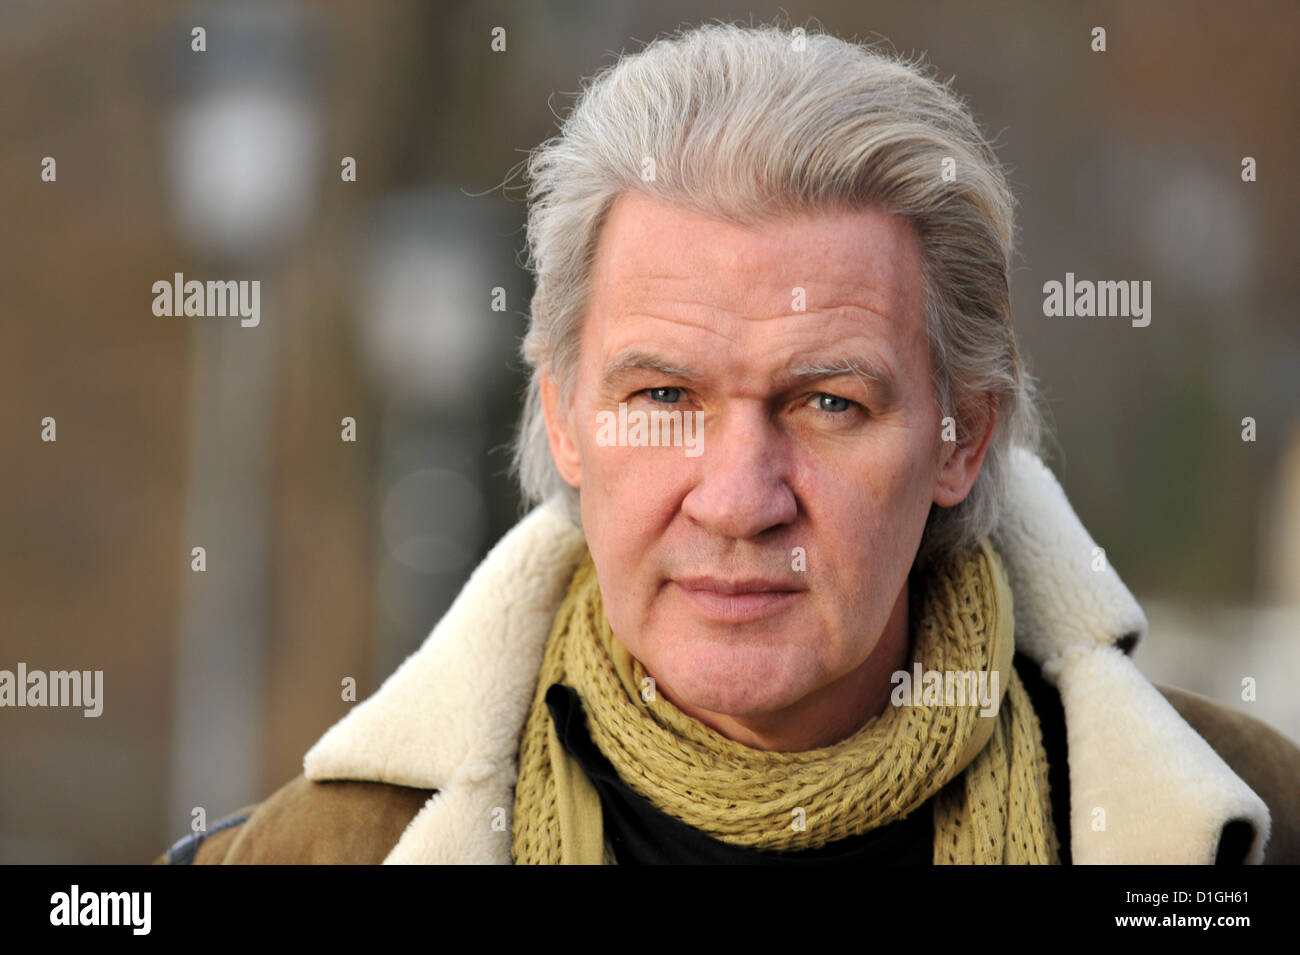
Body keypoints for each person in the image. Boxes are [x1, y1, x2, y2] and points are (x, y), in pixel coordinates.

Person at [156, 22, 1299, 865]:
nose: (740, 498)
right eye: (662, 395)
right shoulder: (310, 856)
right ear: (562, 417)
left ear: (963, 438)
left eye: (827, 403)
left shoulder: (1241, 824)